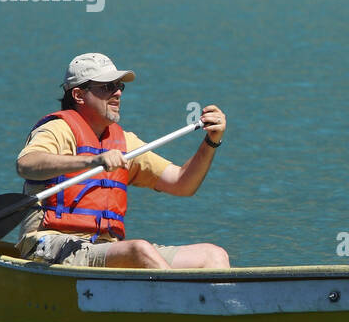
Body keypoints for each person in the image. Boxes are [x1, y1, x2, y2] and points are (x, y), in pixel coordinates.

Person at [14, 52, 231, 269]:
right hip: (49, 245)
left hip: (104, 248)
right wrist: (92, 161)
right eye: (107, 87)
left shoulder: (124, 142)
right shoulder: (57, 129)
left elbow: (182, 183)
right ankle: (177, 297)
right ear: (79, 95)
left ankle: (211, 301)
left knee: (214, 256)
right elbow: (27, 164)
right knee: (138, 250)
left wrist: (211, 142)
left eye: (119, 86)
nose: (117, 93)